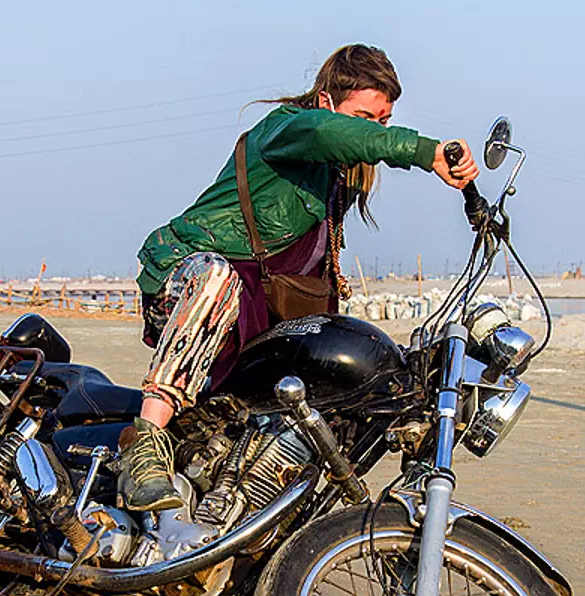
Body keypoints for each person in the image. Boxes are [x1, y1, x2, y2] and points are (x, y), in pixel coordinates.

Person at [119, 44, 479, 512]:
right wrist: (423, 150)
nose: (371, 132)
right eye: (363, 118)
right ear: (328, 104)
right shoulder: (288, 127)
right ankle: (144, 446)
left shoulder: (336, 177)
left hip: (259, 309)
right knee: (218, 277)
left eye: (382, 121)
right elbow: (332, 134)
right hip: (191, 279)